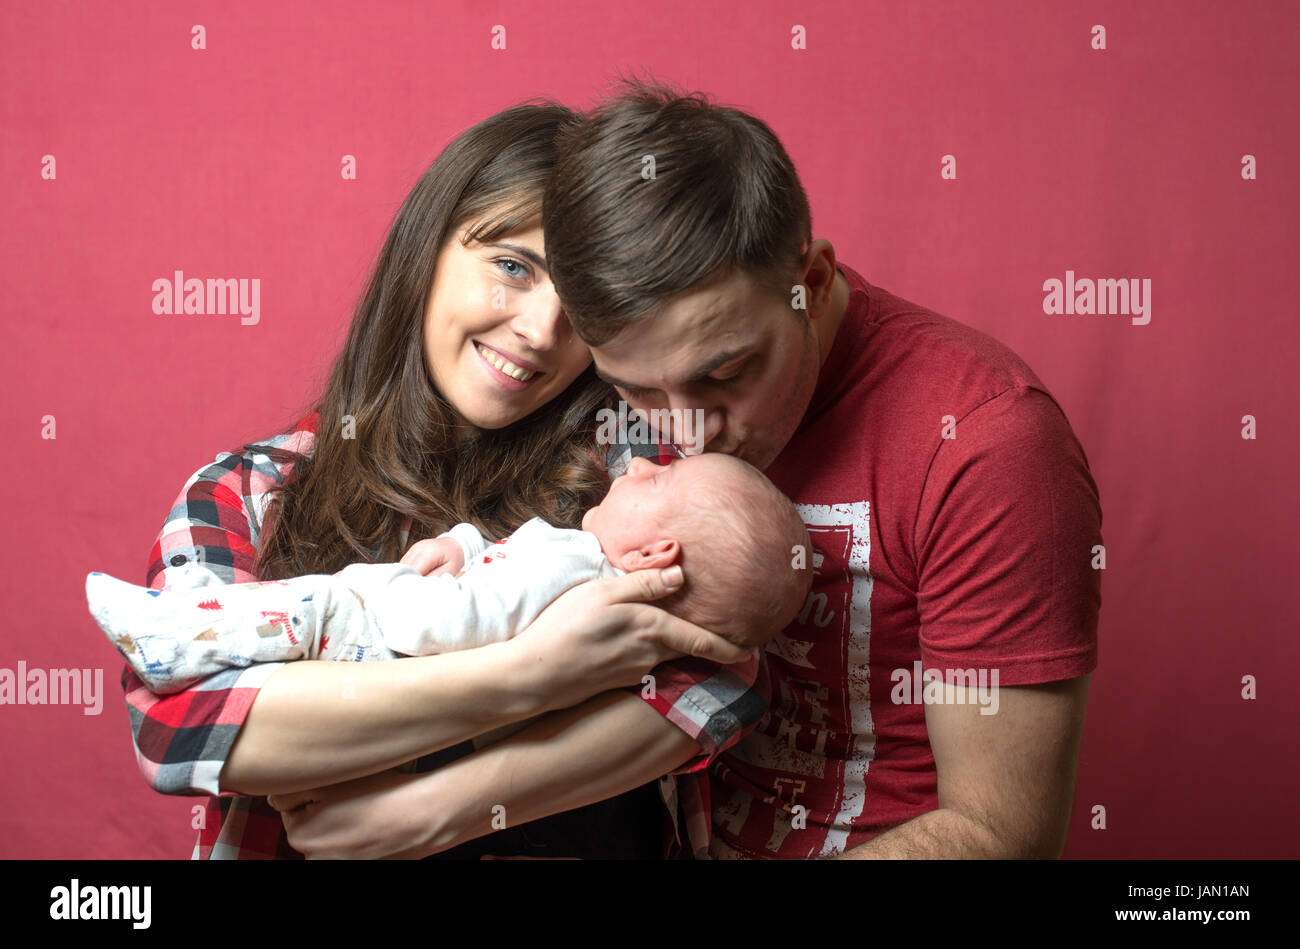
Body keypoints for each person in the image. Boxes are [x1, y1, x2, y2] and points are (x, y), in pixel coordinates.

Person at [267, 79, 1101, 860]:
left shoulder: (986, 445)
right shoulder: (620, 416)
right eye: (635, 387)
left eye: (726, 373)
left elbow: (999, 832)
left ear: (809, 282)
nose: (684, 430)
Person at [120, 100, 756, 860]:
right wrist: (534, 672)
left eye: (581, 307)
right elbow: (185, 725)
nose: (541, 330)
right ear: (427, 248)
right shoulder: (249, 490)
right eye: (513, 267)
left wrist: (440, 809)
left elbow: (724, 682)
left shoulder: (631, 476)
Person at [91, 452, 812, 692]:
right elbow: (506, 571)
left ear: (656, 558)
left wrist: (387, 589)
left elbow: (464, 620)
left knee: (302, 608)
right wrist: (465, 545)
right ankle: (181, 633)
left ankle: (172, 638)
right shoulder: (579, 562)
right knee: (288, 615)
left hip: (391, 645)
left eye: (659, 483)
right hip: (400, 642)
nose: (642, 462)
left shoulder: (578, 571)